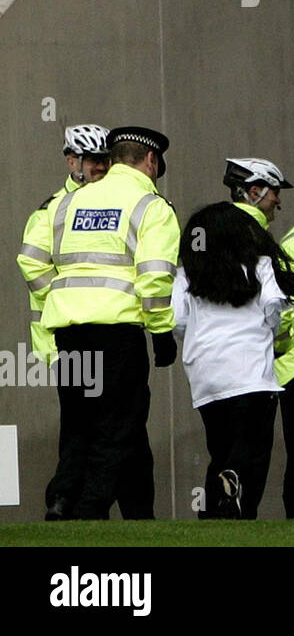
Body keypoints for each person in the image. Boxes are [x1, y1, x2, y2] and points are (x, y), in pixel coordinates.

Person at [34, 126, 179, 520]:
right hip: (117, 332)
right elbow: (154, 276)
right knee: (116, 427)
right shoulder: (152, 207)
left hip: (68, 330)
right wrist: (162, 332)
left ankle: (61, 500)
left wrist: (63, 301)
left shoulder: (68, 203)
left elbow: (37, 261)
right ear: (151, 161)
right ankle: (88, 510)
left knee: (79, 421)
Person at [174, 202, 294, 519]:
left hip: (206, 374)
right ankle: (237, 495)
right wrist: (271, 335)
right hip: (250, 373)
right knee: (252, 451)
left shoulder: (187, 273)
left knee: (219, 448)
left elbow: (178, 321)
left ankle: (213, 513)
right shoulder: (260, 265)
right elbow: (274, 309)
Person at [19, 124, 111, 366]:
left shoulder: (113, 203)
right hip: (63, 340)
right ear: (72, 162)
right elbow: (30, 263)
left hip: (105, 331)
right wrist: (68, 299)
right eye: (92, 159)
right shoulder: (52, 210)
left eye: (105, 159)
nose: (101, 166)